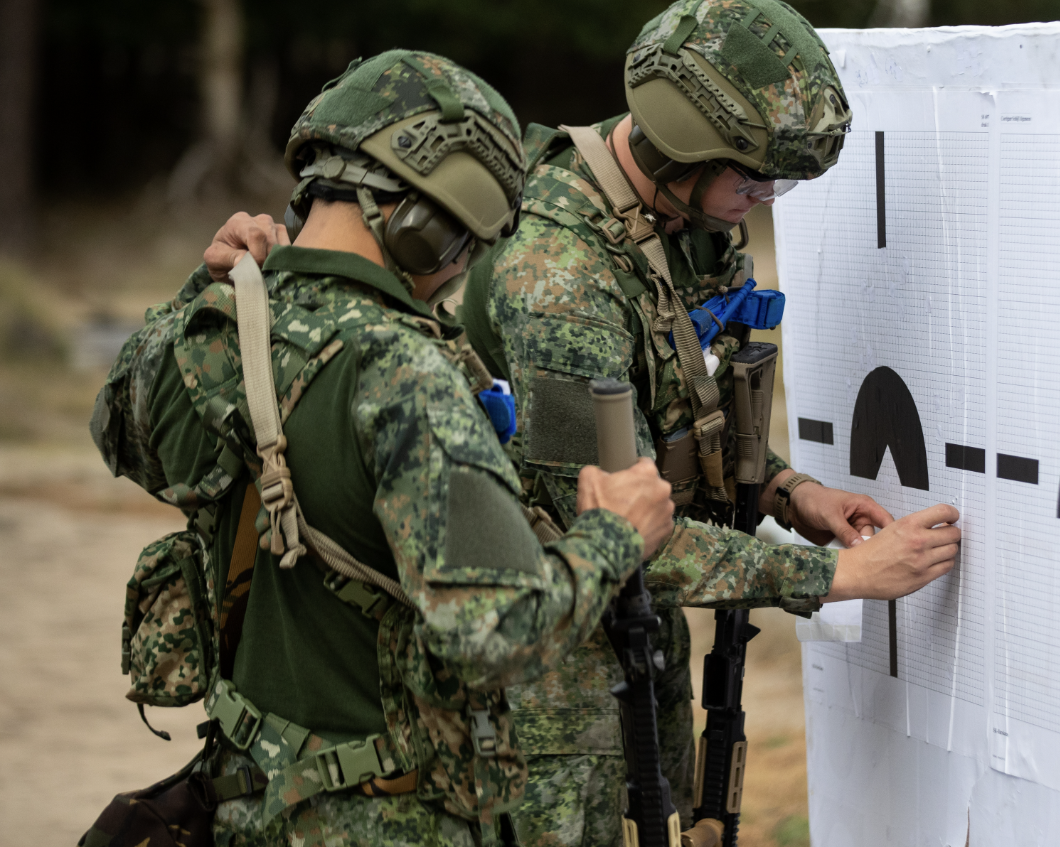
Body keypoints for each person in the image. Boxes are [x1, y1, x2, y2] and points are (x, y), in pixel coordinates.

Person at [201, 0, 962, 847]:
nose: (766, 197)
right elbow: (615, 522)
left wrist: (792, 491)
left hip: (631, 635)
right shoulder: (559, 276)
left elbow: (680, 407)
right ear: (687, 149)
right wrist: (837, 580)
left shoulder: (675, 213)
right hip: (547, 685)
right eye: (754, 178)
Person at [92, 50, 676, 846]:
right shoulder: (406, 374)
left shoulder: (219, 322)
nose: (460, 270)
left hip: (243, 805)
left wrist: (205, 286)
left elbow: (116, 430)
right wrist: (615, 536)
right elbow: (495, 636)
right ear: (425, 221)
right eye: (467, 242)